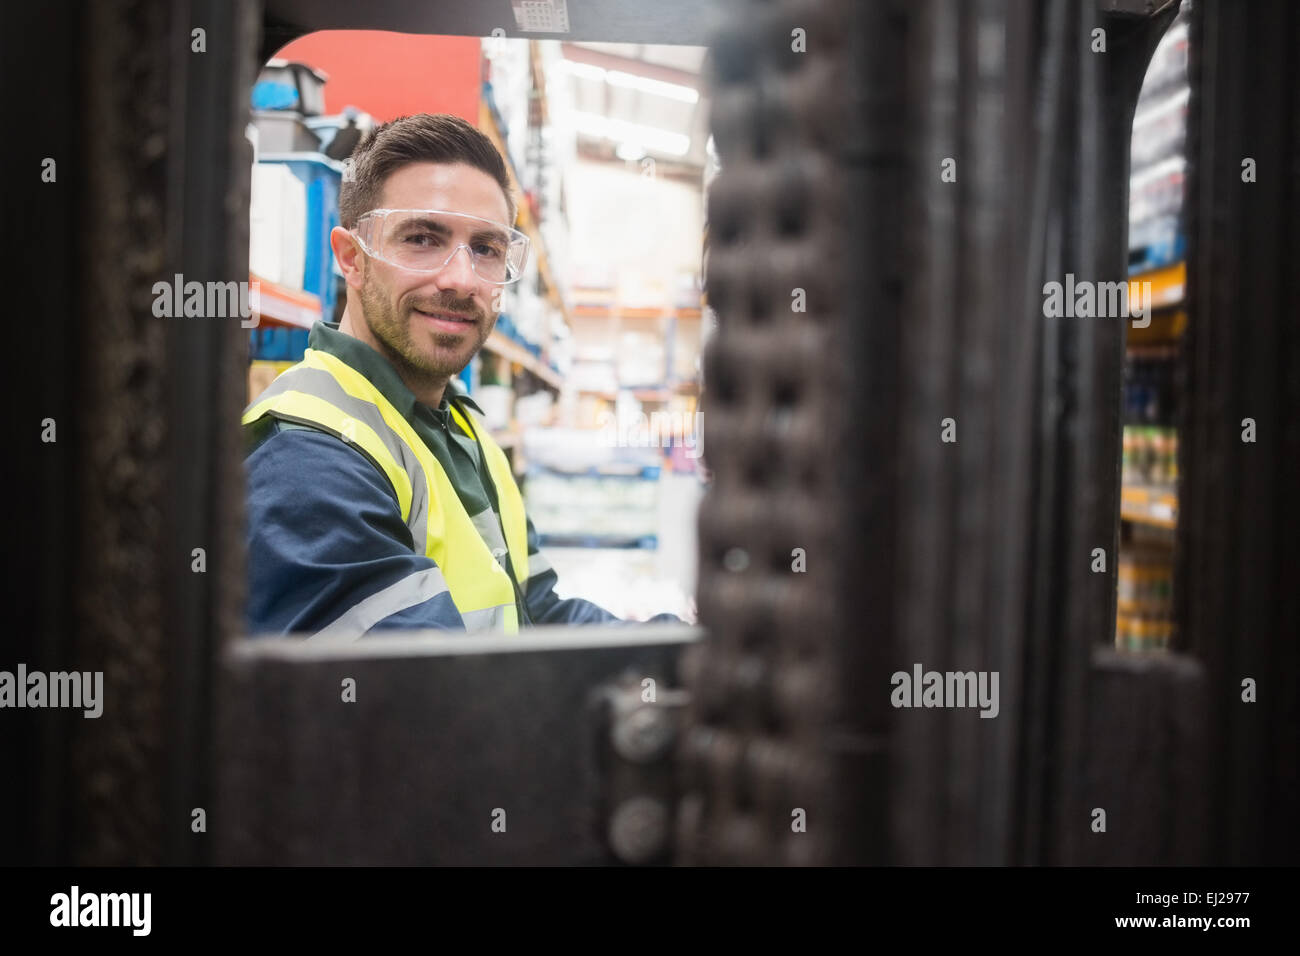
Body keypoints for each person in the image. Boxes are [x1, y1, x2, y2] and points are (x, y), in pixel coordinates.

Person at [244, 113, 680, 637]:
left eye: (486, 249)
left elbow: (536, 612)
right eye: (422, 238)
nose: (460, 278)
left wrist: (682, 650)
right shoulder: (308, 457)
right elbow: (422, 699)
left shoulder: (467, 433)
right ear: (352, 259)